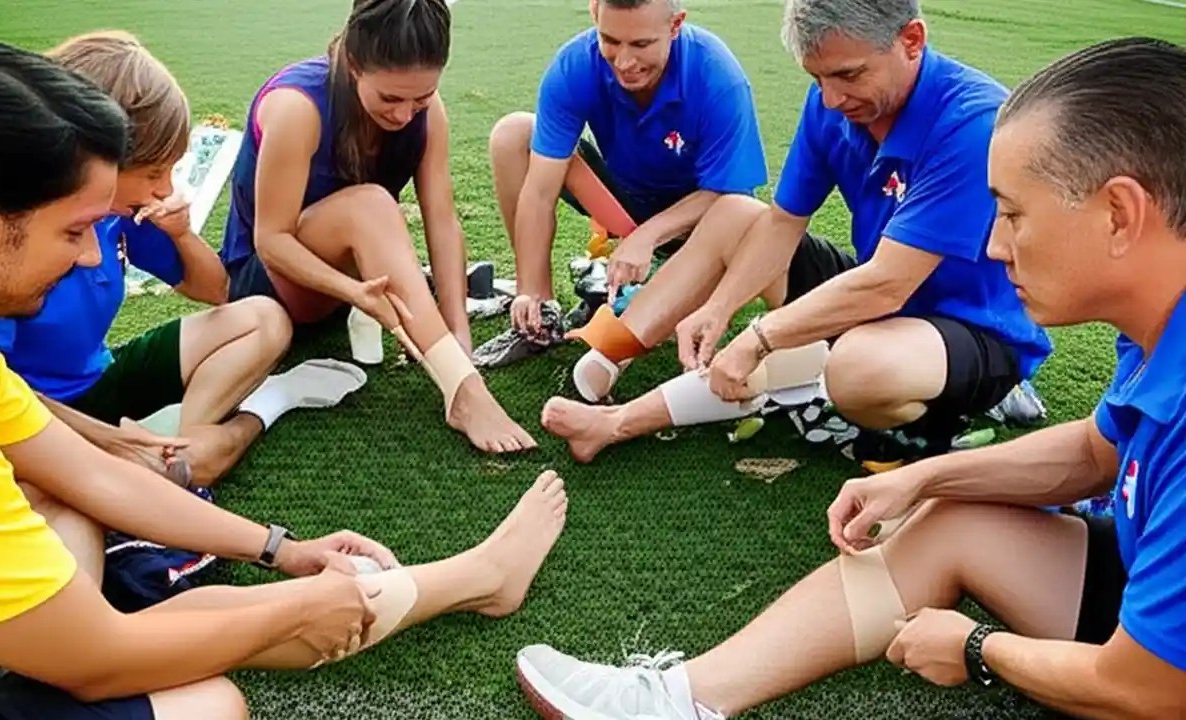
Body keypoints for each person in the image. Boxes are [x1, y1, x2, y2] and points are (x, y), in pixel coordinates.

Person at [515, 35, 1186, 719]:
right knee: (946, 512)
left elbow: (1152, 693)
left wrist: (977, 648)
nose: (995, 243)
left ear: (1120, 215)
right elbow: (1093, 454)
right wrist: (923, 480)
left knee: (864, 372)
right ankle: (679, 700)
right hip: (1121, 568)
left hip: (1145, 666)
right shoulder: (1155, 330)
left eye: (1014, 215)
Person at [0, 32, 571, 720]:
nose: (91, 258)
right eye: (74, 232)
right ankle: (473, 578)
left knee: (81, 521)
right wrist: (299, 607)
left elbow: (92, 473)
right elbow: (101, 659)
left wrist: (280, 549)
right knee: (208, 704)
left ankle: (474, 578)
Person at [543, 0, 1052, 470]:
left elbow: (888, 284)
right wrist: (720, 307)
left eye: (848, 75)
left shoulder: (971, 123)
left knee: (858, 369)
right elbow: (782, 224)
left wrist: (760, 336)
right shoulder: (832, 105)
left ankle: (928, 414)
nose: (830, 98)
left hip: (974, 327)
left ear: (912, 40)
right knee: (736, 213)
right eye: (817, 77)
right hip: (881, 295)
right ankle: (613, 388)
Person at [0, 31, 359, 488]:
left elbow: (216, 290)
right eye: (154, 172)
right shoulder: (10, 239)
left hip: (100, 375)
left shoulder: (121, 213)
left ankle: (185, 440)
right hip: (38, 412)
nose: (165, 188)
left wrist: (180, 233)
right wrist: (109, 440)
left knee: (265, 318)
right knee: (153, 474)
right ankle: (259, 411)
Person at [221, 0, 535, 455]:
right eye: (390, 99)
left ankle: (455, 369)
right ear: (353, 63)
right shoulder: (297, 107)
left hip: (347, 285)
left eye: (421, 98)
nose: (405, 115)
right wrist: (355, 293)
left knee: (376, 208)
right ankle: (464, 395)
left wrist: (458, 333)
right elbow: (271, 241)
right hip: (267, 290)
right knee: (370, 205)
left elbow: (442, 222)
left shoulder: (427, 114)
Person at [474, 0, 768, 367]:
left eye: (641, 44)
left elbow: (730, 196)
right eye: (610, 40)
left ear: (675, 25)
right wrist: (529, 290)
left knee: (735, 218)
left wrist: (648, 237)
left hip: (702, 226)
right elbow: (539, 191)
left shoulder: (717, 75)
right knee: (514, 134)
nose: (625, 62)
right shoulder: (576, 65)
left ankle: (674, 293)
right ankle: (542, 317)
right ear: (594, 14)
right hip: (625, 202)